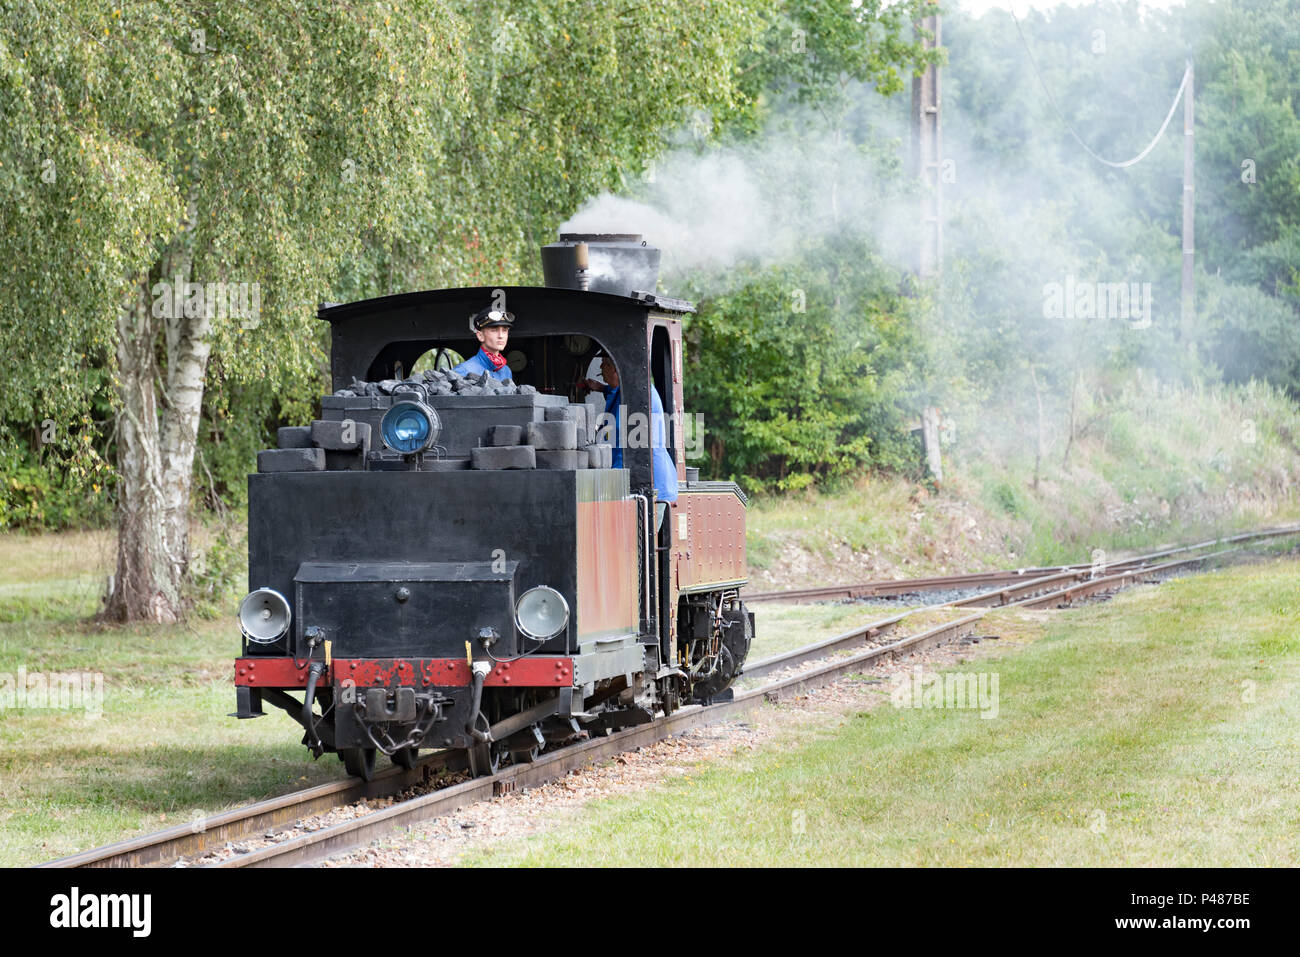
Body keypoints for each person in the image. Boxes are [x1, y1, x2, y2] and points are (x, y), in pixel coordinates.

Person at [586, 354, 678, 530]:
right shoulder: (629, 389)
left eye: (604, 364)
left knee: (635, 544)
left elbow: (623, 447)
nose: (600, 370)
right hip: (645, 484)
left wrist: (603, 481)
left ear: (616, 368)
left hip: (651, 485)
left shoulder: (637, 397)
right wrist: (601, 388)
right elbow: (615, 391)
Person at [453, 306, 514, 380]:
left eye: (504, 330)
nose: (501, 336)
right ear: (480, 336)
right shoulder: (463, 370)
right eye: (494, 330)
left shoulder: (506, 371)